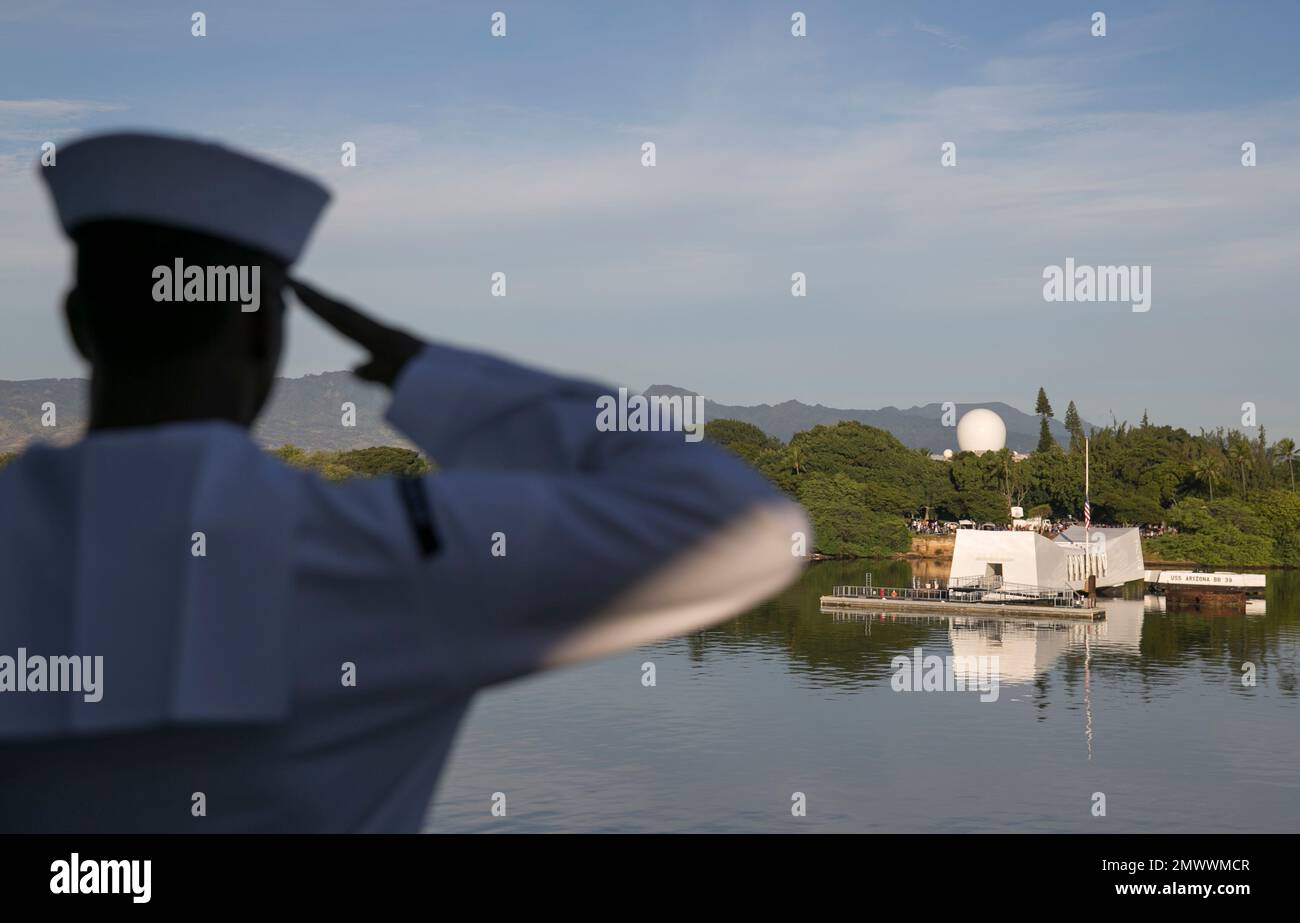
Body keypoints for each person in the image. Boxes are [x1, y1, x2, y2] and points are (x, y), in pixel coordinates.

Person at [0, 132, 808, 832]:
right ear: (265, 333)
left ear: (77, 321)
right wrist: (431, 372)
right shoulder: (389, 549)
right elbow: (752, 527)